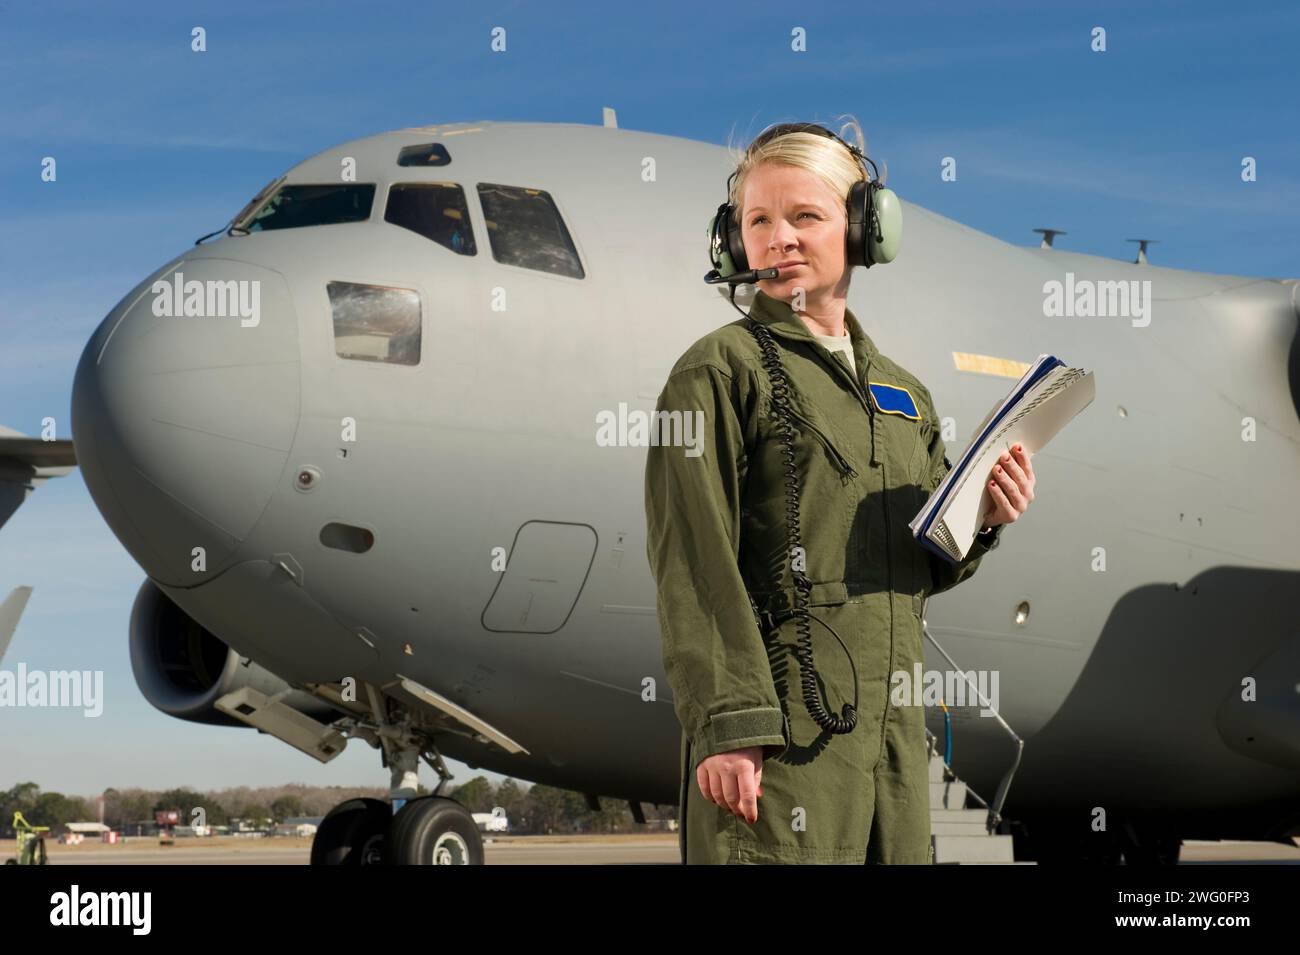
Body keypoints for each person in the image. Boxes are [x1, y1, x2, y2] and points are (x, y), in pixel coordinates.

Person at [643, 118, 1037, 864]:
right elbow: (691, 563)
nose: (779, 238)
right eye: (757, 220)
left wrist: (984, 518)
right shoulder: (714, 374)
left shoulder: (903, 394)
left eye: (805, 216)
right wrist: (730, 725)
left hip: (891, 744)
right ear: (732, 239)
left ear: (863, 230)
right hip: (781, 744)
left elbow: (921, 564)